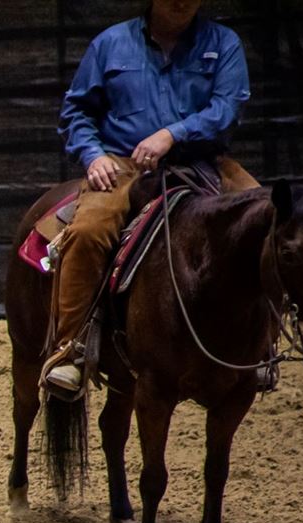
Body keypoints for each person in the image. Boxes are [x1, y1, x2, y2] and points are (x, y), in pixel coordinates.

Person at [45, 0, 256, 398]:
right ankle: (70, 350)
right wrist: (94, 156)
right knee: (88, 231)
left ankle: (262, 348)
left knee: (268, 219)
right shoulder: (110, 44)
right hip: (124, 166)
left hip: (203, 162)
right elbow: (77, 112)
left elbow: (226, 107)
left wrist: (173, 134)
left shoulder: (223, 43)